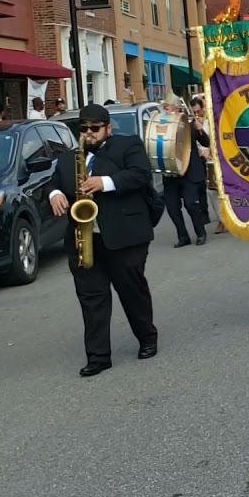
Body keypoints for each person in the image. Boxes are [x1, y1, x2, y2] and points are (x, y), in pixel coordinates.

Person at [49, 104, 159, 376]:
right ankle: (98, 356)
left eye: (94, 129)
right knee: (91, 297)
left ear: (107, 129)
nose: (88, 133)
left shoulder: (127, 145)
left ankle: (147, 337)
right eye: (83, 129)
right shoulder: (68, 158)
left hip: (125, 235)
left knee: (132, 290)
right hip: (84, 238)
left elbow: (141, 174)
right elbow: (53, 183)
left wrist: (105, 182)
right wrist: (54, 195)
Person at [163, 101, 210, 247]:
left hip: (189, 172)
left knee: (191, 204)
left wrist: (200, 130)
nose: (165, 110)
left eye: (168, 107)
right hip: (171, 173)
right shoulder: (162, 127)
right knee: (172, 207)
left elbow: (206, 142)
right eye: (164, 108)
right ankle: (183, 237)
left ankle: (201, 233)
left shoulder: (189, 125)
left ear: (177, 110)